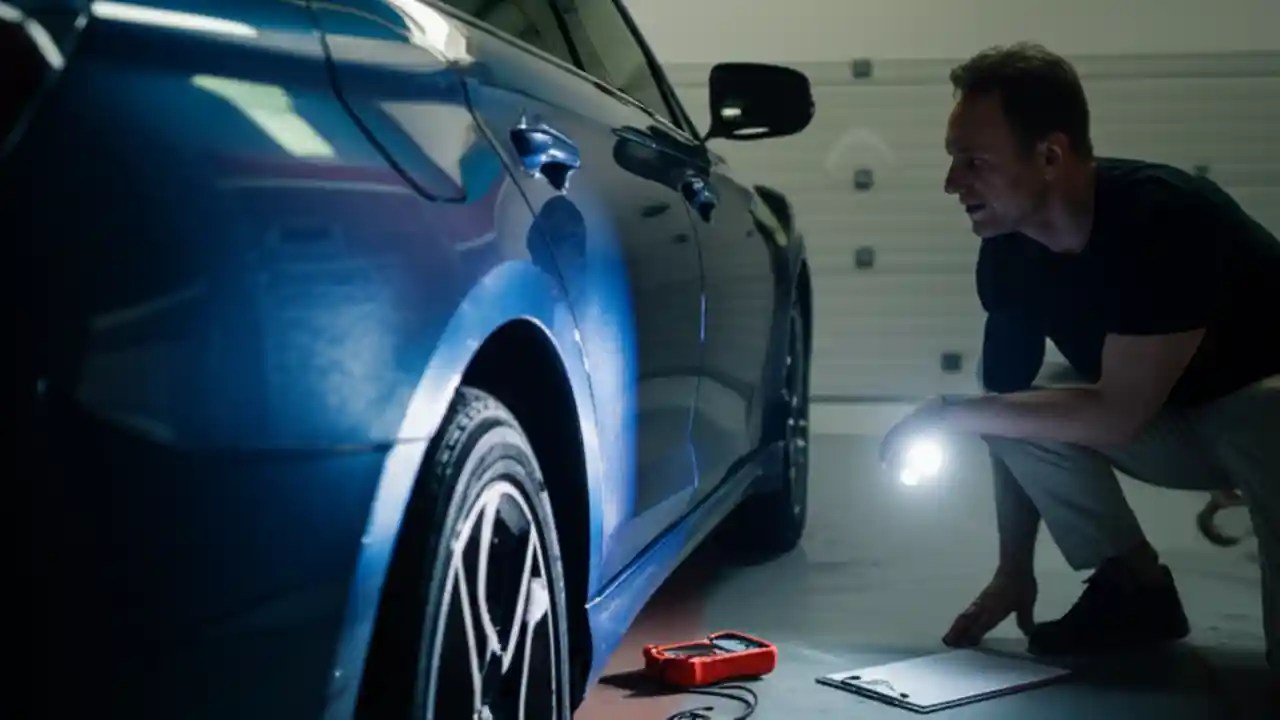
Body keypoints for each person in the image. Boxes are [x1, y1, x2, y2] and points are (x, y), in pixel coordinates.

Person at [879, 42, 1280, 668]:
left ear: (1049, 156)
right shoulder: (1009, 252)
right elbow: (1009, 414)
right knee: (1014, 401)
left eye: (974, 161)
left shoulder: (1162, 218)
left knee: (1267, 414)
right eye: (954, 160)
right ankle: (1134, 588)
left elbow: (1116, 415)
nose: (952, 183)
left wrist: (945, 414)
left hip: (1257, 423)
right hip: (1184, 422)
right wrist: (1013, 569)